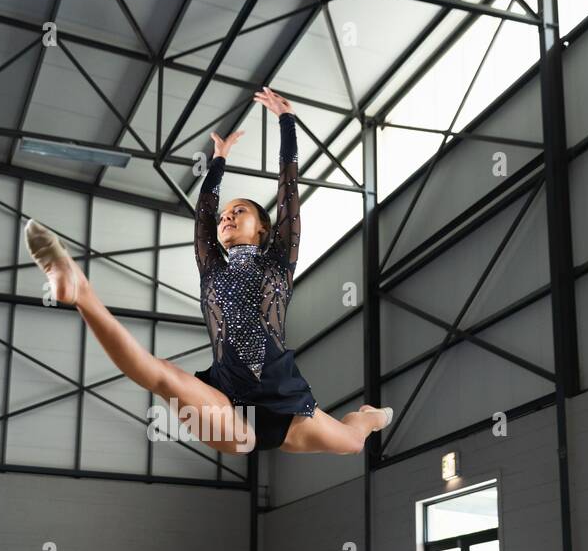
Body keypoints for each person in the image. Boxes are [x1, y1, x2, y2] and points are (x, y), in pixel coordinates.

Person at [24, 85, 392, 455]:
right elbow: (203, 215)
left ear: (263, 227)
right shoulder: (211, 267)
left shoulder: (279, 261)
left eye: (240, 211)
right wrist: (218, 160)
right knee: (163, 375)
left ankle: (372, 416)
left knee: (354, 441)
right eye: (226, 214)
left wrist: (286, 122)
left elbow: (288, 190)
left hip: (285, 405)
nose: (227, 216)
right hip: (227, 403)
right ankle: (80, 292)